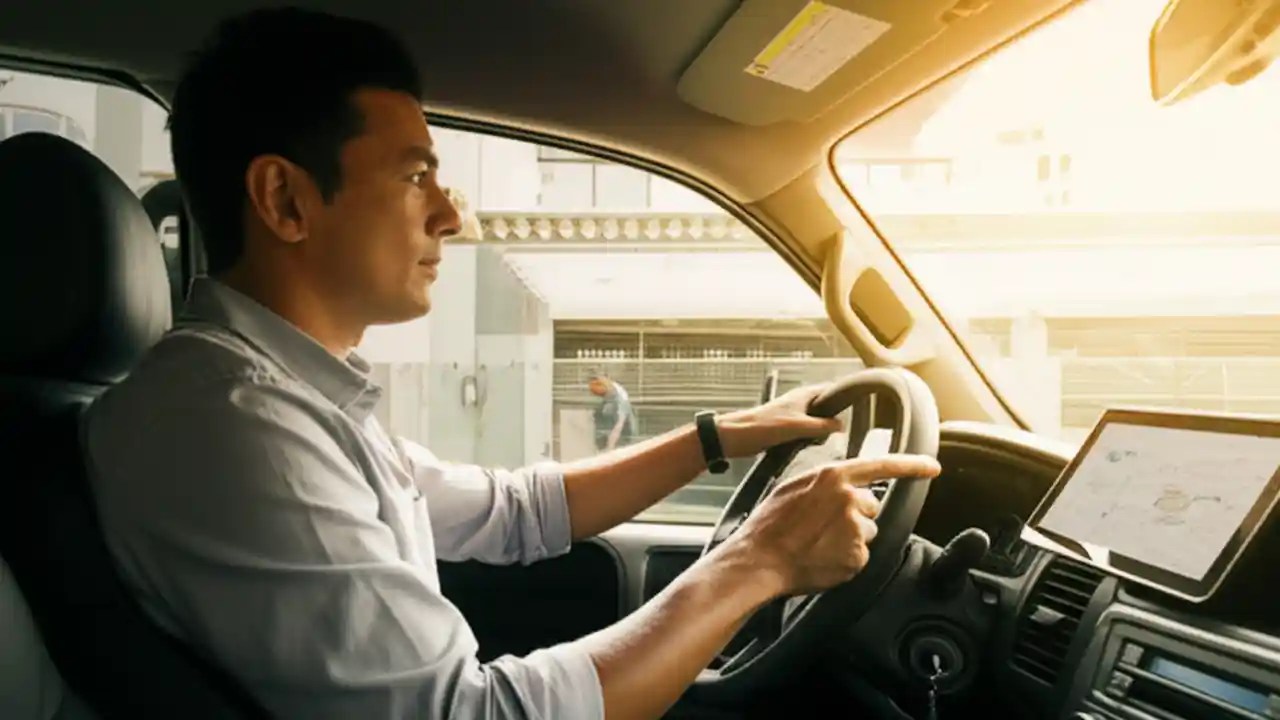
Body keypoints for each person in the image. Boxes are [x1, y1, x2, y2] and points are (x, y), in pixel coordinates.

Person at [82, 8, 942, 720]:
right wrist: (759, 560)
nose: (450, 215)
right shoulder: (232, 424)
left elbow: (511, 514)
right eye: (415, 176)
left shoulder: (289, 397)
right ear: (286, 200)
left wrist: (714, 437)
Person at [588, 371, 637, 451]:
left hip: (622, 441)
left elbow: (619, 424)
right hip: (607, 432)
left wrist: (610, 447)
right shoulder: (610, 390)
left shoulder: (620, 399)